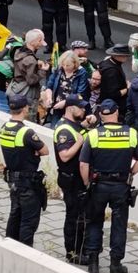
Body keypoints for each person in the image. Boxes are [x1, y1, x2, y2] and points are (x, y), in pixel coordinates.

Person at [78, 99, 138, 273]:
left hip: (98, 185)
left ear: (101, 115)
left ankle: (93, 263)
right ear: (117, 113)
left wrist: (87, 183)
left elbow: (83, 164)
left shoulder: (93, 135)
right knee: (119, 224)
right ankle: (115, 265)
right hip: (120, 186)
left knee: (94, 221)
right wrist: (130, 174)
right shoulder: (130, 133)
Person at [0, 95, 49, 247]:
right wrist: (33, 152)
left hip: (13, 179)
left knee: (15, 215)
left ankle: (9, 245)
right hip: (28, 182)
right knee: (29, 220)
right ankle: (25, 251)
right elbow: (45, 150)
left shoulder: (4, 128)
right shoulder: (26, 132)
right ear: (24, 109)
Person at [54, 97, 91, 262]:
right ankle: (72, 253)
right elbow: (64, 156)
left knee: (81, 216)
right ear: (70, 108)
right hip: (71, 180)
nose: (84, 111)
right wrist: (80, 142)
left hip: (78, 179)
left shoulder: (74, 126)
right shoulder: (64, 130)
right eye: (81, 108)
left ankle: (81, 249)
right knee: (74, 217)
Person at [43, 52, 88, 124]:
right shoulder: (59, 69)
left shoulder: (82, 73)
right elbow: (49, 85)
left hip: (72, 107)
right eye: (63, 65)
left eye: (68, 65)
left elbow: (80, 93)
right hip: (57, 105)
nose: (65, 67)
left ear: (75, 63)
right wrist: (49, 98)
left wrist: (65, 102)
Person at [9, 29, 50, 105]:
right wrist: (43, 70)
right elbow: (31, 80)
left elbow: (23, 64)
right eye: (40, 41)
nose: (41, 44)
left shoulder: (19, 50)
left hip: (16, 87)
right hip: (26, 93)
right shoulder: (30, 60)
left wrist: (36, 62)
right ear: (35, 42)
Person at [98, 44, 130, 118]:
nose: (127, 57)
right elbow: (114, 94)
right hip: (114, 105)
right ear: (117, 56)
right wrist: (127, 88)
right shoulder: (112, 71)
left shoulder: (106, 63)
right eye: (124, 55)